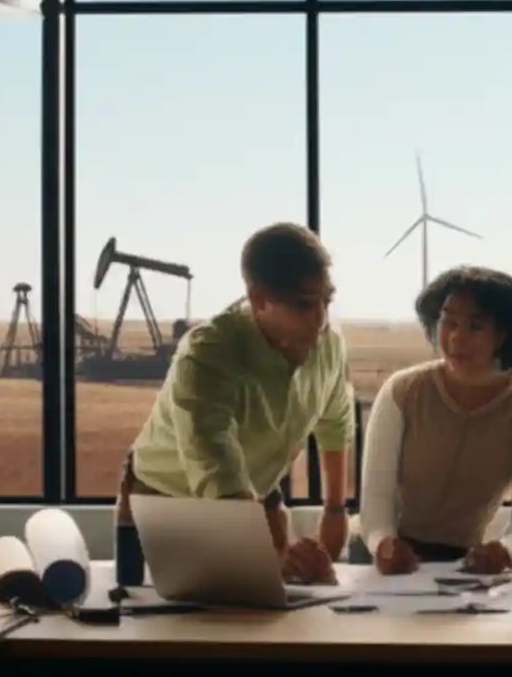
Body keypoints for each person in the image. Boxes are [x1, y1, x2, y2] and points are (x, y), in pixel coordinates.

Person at [114, 222, 356, 587]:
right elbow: (215, 467)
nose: (320, 319)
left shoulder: (329, 345)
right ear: (258, 300)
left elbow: (335, 424)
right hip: (166, 502)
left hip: (255, 495)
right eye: (304, 304)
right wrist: (267, 552)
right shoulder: (207, 355)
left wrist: (335, 511)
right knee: (175, 617)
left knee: (275, 609)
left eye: (327, 299)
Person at [353, 265, 512, 575]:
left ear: (502, 335)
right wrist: (384, 544)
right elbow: (375, 503)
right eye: (450, 322)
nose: (458, 337)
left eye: (476, 326)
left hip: (463, 565)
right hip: (381, 558)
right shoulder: (403, 391)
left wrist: (505, 549)